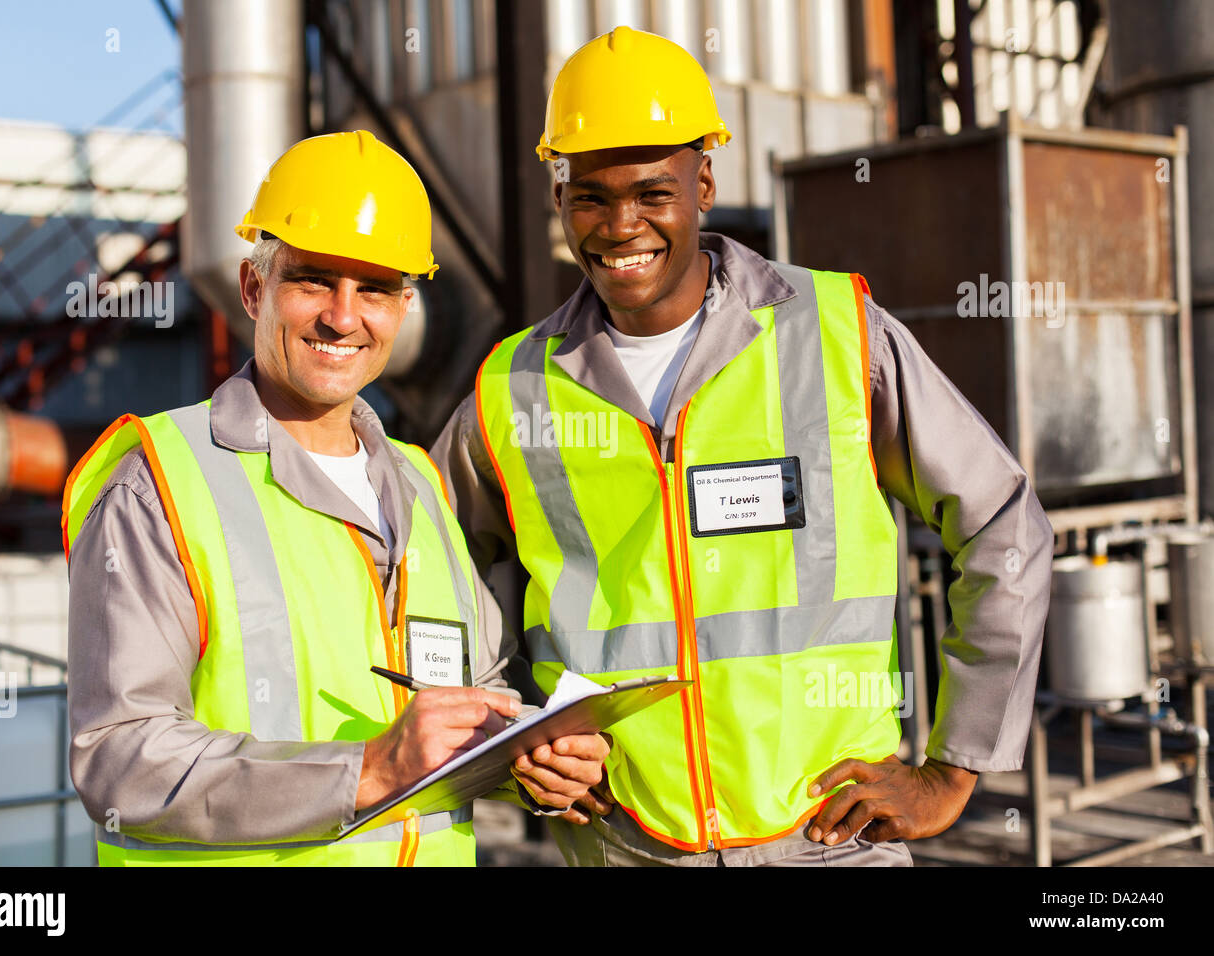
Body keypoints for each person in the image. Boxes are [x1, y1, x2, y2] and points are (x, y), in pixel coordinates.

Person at [431, 27, 1053, 866]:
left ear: (705, 184)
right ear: (559, 197)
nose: (621, 228)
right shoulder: (513, 388)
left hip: (830, 840)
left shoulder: (837, 336)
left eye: (654, 192)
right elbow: (430, 582)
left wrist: (955, 766)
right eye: (590, 197)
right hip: (625, 847)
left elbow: (1001, 522)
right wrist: (511, 740)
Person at [63, 130, 607, 867]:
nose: (344, 317)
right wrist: (368, 769)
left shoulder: (419, 485)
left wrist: (531, 761)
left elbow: (469, 702)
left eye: (375, 289)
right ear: (255, 289)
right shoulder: (161, 483)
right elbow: (120, 760)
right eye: (314, 280)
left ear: (403, 307)